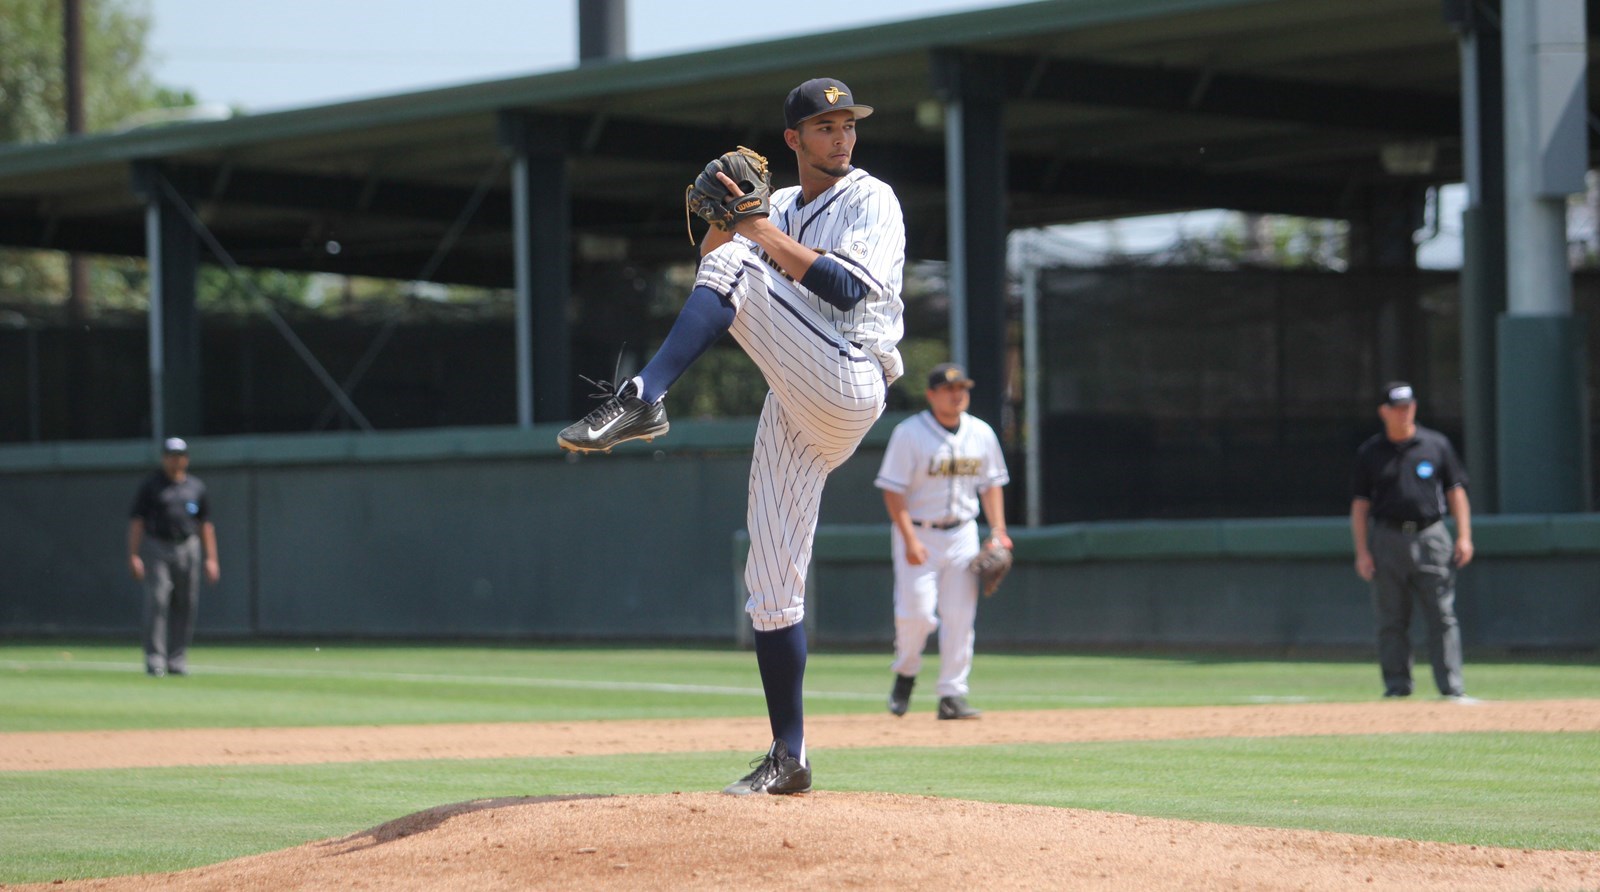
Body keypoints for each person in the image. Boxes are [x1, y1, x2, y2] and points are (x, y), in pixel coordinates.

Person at [556, 78, 905, 794]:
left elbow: (843, 291)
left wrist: (751, 233)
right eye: (825, 125)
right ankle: (791, 756)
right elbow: (712, 272)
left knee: (737, 260)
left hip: (852, 376)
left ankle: (642, 396)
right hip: (795, 398)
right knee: (771, 588)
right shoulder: (774, 206)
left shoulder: (871, 197)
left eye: (848, 124)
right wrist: (726, 217)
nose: (842, 136)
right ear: (794, 140)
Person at [874, 362, 1011, 720]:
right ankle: (906, 671)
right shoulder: (909, 433)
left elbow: (992, 484)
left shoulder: (980, 433)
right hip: (918, 531)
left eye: (962, 388)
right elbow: (893, 491)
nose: (957, 394)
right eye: (949, 389)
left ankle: (952, 695)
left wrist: (998, 532)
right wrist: (908, 539)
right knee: (916, 615)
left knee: (960, 617)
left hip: (963, 533)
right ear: (931, 394)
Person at [1349, 382, 1475, 701]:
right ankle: (1397, 687)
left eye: (1409, 406)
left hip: (1431, 535)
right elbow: (1360, 505)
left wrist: (1464, 536)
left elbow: (1456, 491)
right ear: (1384, 411)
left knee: (1442, 614)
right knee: (1391, 618)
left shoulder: (1435, 445)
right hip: (1388, 536)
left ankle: (1452, 688)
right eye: (1398, 407)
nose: (1404, 412)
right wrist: (1362, 551)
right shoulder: (1371, 452)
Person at [127, 437, 220, 677]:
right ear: (163, 458)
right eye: (170, 455)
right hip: (158, 546)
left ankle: (177, 659)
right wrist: (134, 555)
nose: (174, 460)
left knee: (186, 603)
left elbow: (206, 525)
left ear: (186, 459)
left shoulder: (196, 487)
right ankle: (155, 659)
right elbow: (137, 521)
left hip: (189, 547)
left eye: (179, 455)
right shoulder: (152, 486)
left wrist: (211, 559)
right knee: (157, 600)